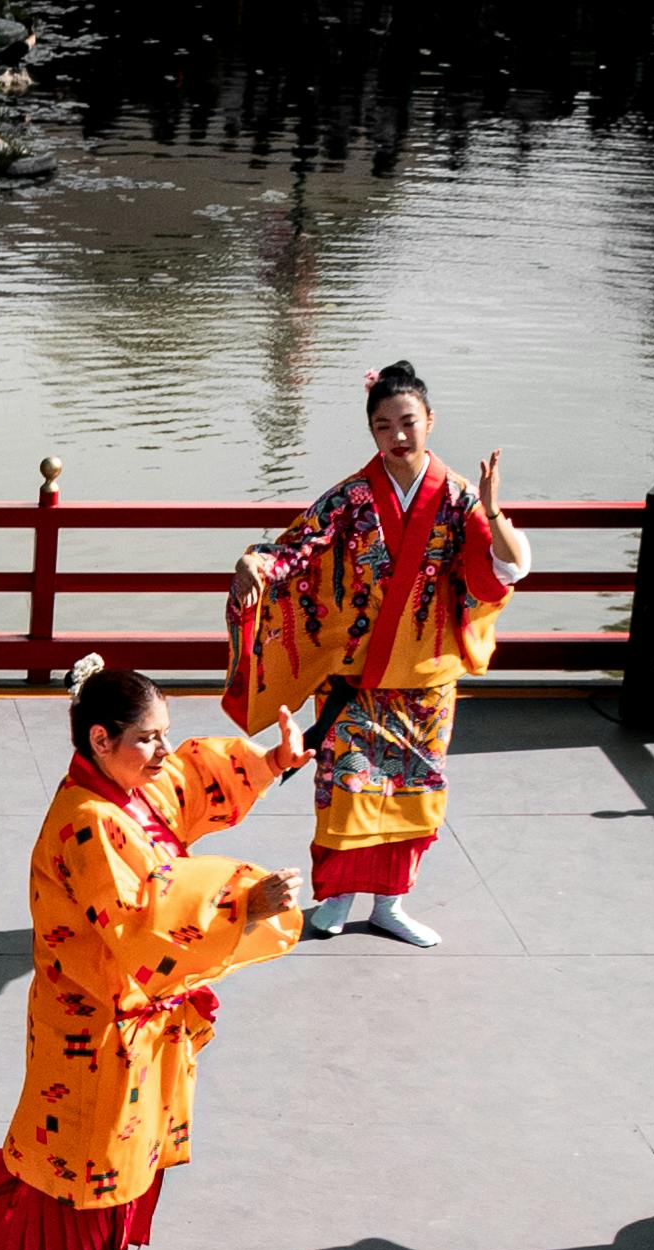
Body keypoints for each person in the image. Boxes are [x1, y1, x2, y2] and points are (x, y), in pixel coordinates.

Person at [0, 660, 307, 1250]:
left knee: (126, 1147)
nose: (163, 751)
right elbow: (140, 922)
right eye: (147, 738)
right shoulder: (86, 823)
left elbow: (191, 783)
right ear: (100, 739)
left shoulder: (127, 788)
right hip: (92, 1017)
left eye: (164, 734)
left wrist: (268, 762)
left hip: (135, 1010)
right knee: (87, 1156)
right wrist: (242, 903)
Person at [225, 360, 529, 948]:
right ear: (372, 431)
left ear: (430, 422)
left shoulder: (463, 500)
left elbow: (508, 568)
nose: (398, 436)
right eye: (384, 425)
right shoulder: (350, 498)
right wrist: (256, 562)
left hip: (426, 679)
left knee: (413, 798)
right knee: (346, 793)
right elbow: (299, 548)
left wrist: (492, 510)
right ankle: (336, 899)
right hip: (356, 679)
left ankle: (390, 904)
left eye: (408, 422)